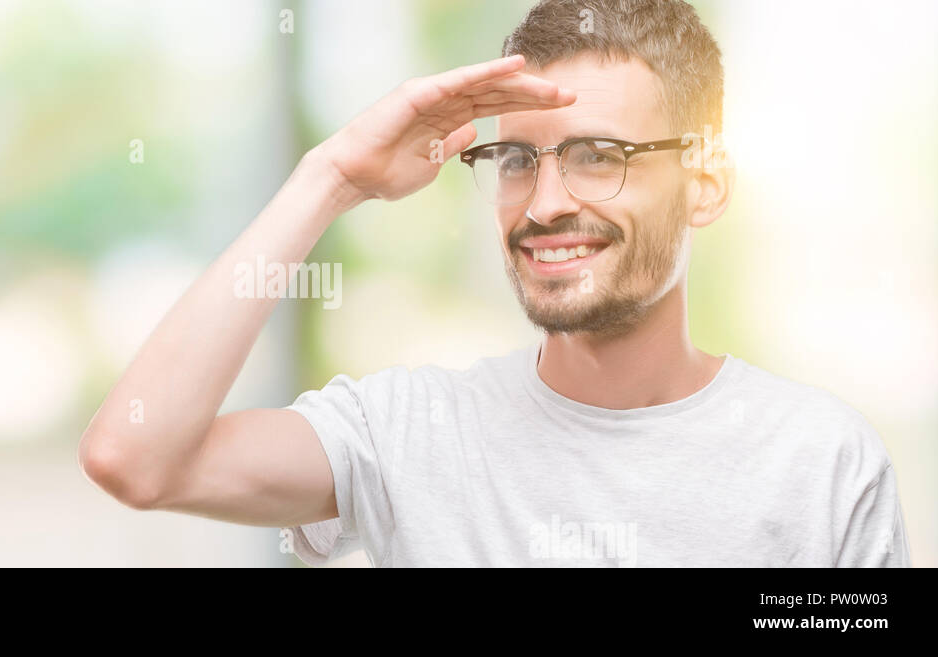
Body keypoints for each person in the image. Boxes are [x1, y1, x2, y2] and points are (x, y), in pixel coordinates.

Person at [78, 0, 912, 567]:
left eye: (599, 155)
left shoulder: (821, 463)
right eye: (515, 160)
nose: (545, 204)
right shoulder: (405, 434)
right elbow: (134, 457)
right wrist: (330, 178)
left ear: (705, 183)